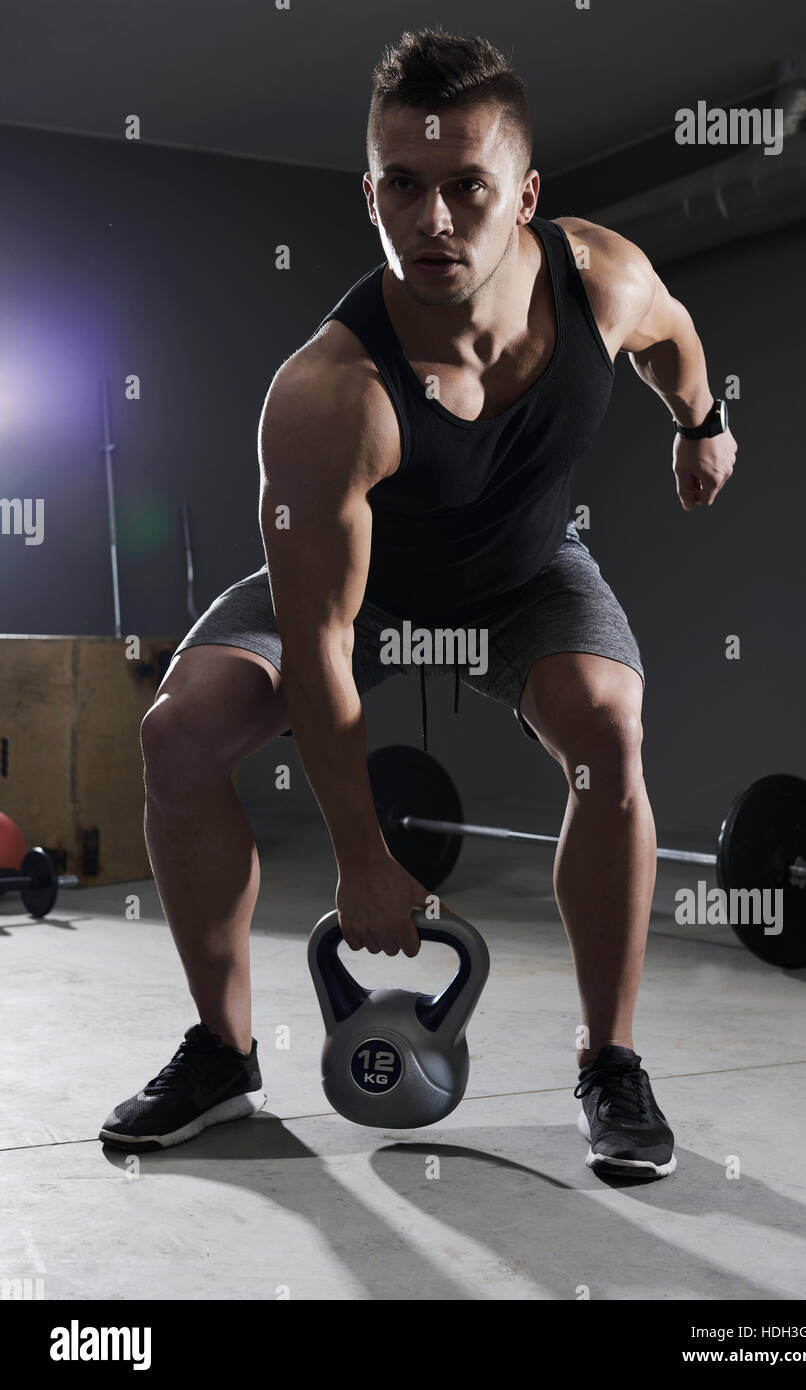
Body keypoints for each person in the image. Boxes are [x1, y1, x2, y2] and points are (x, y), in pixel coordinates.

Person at [100, 29, 736, 1176]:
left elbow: (677, 342)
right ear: (369, 194)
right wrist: (362, 857)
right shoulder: (326, 397)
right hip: (370, 597)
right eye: (404, 186)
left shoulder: (602, 278)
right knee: (180, 730)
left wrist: (702, 428)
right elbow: (321, 643)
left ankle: (609, 1062)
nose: (434, 219)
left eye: (467, 189)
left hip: (529, 576)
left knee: (609, 730)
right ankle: (223, 1051)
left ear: (526, 195)